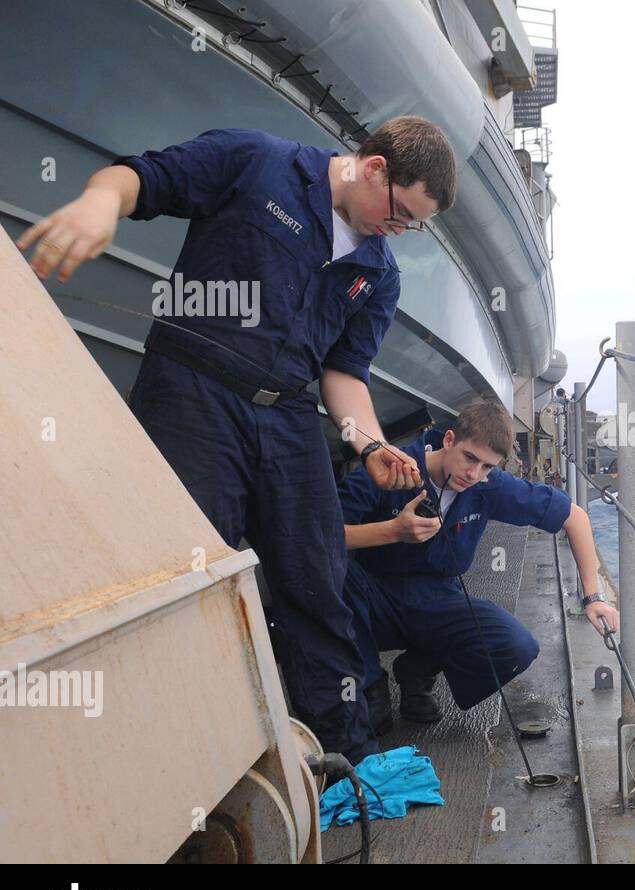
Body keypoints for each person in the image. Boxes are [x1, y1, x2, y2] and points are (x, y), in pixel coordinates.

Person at [17, 117, 458, 763]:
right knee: (186, 573)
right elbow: (142, 177)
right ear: (373, 169)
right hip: (192, 392)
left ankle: (346, 763)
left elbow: (344, 373)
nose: (399, 233)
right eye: (400, 216)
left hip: (288, 416)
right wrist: (98, 202)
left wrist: (367, 444)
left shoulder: (379, 274)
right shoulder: (256, 160)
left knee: (320, 579)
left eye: (412, 225)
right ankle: (178, 758)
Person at [338, 401, 619, 729]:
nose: (474, 474)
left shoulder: (488, 485)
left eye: (487, 466)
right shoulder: (391, 468)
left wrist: (593, 596)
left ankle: (418, 669)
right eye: (470, 457)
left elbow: (575, 516)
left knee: (517, 646)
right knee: (329, 571)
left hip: (436, 600)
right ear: (449, 440)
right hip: (371, 601)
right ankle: (371, 683)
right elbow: (317, 536)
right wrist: (392, 531)